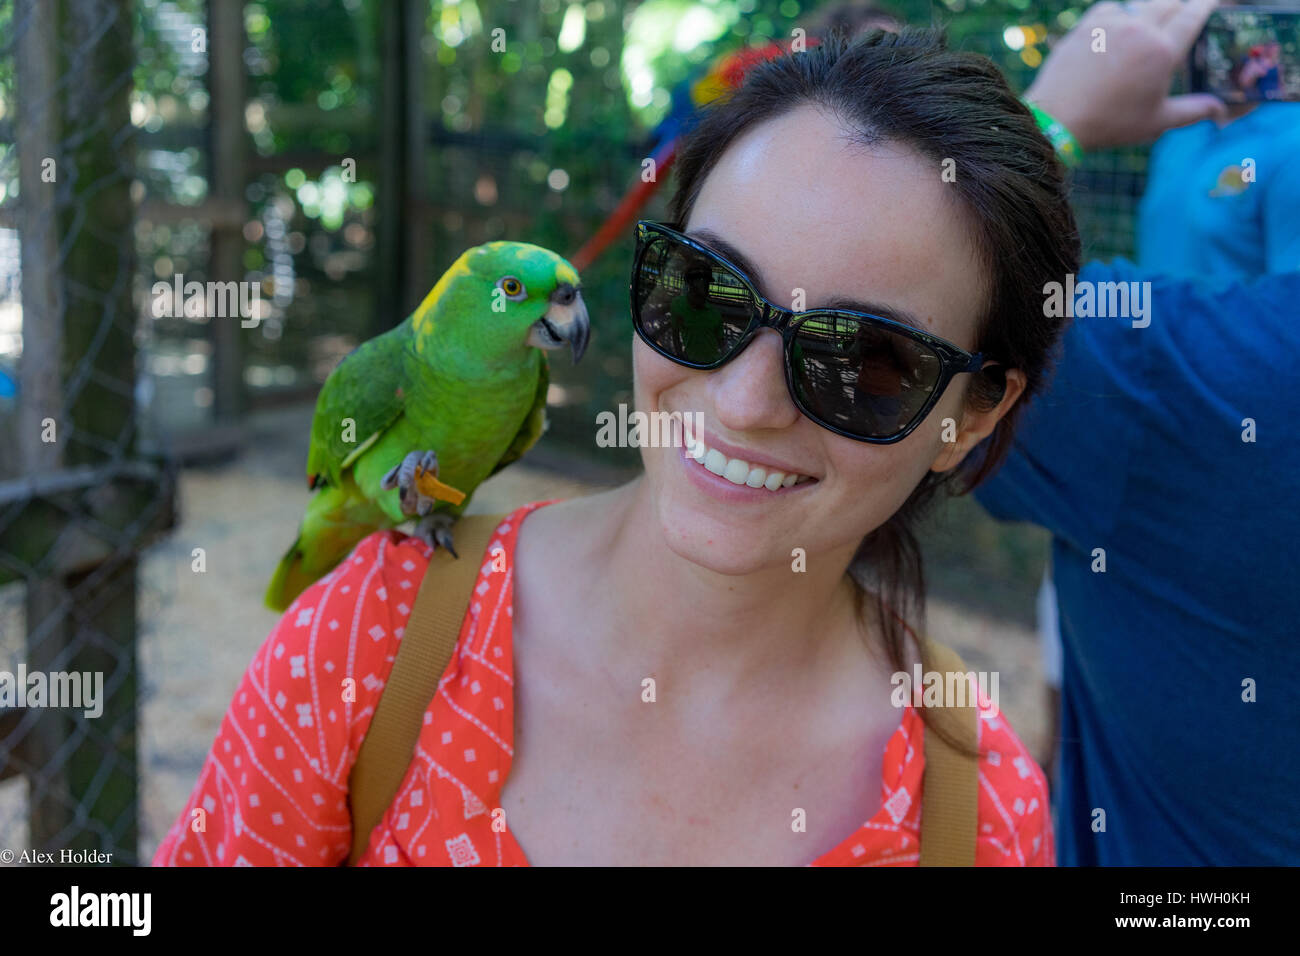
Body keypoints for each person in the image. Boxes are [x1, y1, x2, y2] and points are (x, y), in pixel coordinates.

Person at [153, 24, 1076, 867]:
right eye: (704, 289)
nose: (746, 402)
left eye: (870, 359)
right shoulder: (366, 640)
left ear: (975, 416)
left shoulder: (981, 814)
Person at [976, 0, 1300, 865]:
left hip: (1170, 431)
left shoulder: (1149, 377)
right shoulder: (1186, 141)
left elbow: (874, 316)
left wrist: (1043, 126)